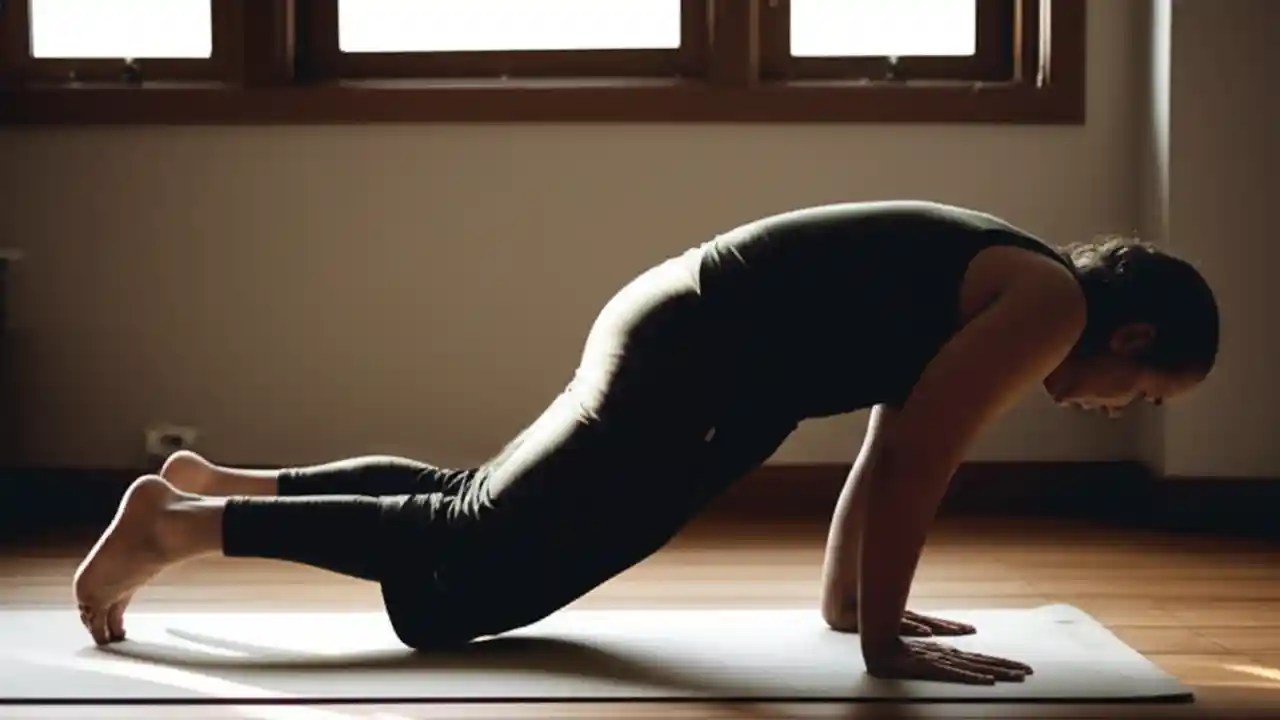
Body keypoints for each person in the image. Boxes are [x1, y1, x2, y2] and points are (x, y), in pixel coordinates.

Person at [73, 200, 1219, 685]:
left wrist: (845, 611)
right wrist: (882, 649)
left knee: (477, 568)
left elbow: (888, 443)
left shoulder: (1014, 286)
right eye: (1144, 395)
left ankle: (227, 485)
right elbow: (918, 462)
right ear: (1130, 333)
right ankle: (183, 529)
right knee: (486, 542)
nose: (1115, 412)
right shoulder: (1047, 306)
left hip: (707, 343)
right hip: (706, 345)